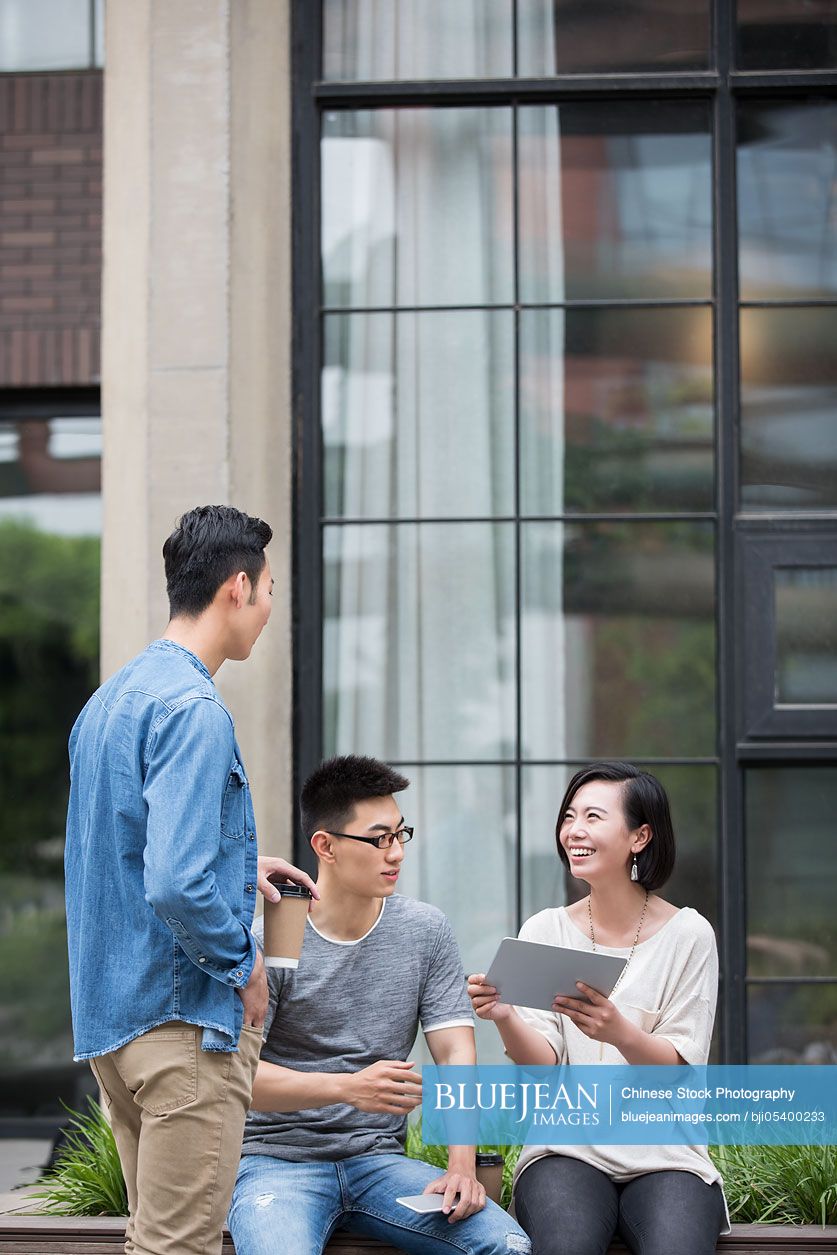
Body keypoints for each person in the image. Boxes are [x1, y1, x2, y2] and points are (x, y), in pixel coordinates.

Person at [64, 504, 318, 1255]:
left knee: (154, 1243)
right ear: (237, 586)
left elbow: (119, 856)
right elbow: (174, 884)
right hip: (183, 1027)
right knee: (179, 1249)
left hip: (118, 1019)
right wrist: (242, 967)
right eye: (270, 587)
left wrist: (239, 868)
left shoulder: (108, 701)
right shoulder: (193, 708)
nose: (270, 607)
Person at [227, 754, 531, 1255]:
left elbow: (455, 1053)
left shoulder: (425, 931)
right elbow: (239, 1080)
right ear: (324, 846)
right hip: (276, 1163)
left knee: (507, 1246)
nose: (396, 853)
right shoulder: (271, 941)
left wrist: (460, 1166)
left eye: (400, 834)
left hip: (379, 1162)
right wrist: (349, 1088)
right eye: (378, 839)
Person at [467, 761, 729, 1255]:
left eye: (593, 817)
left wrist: (618, 1032)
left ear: (640, 836)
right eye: (569, 817)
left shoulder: (689, 935)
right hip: (565, 1149)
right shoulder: (545, 930)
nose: (574, 831)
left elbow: (679, 1069)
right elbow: (544, 1066)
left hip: (667, 1151)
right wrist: (506, 1017)